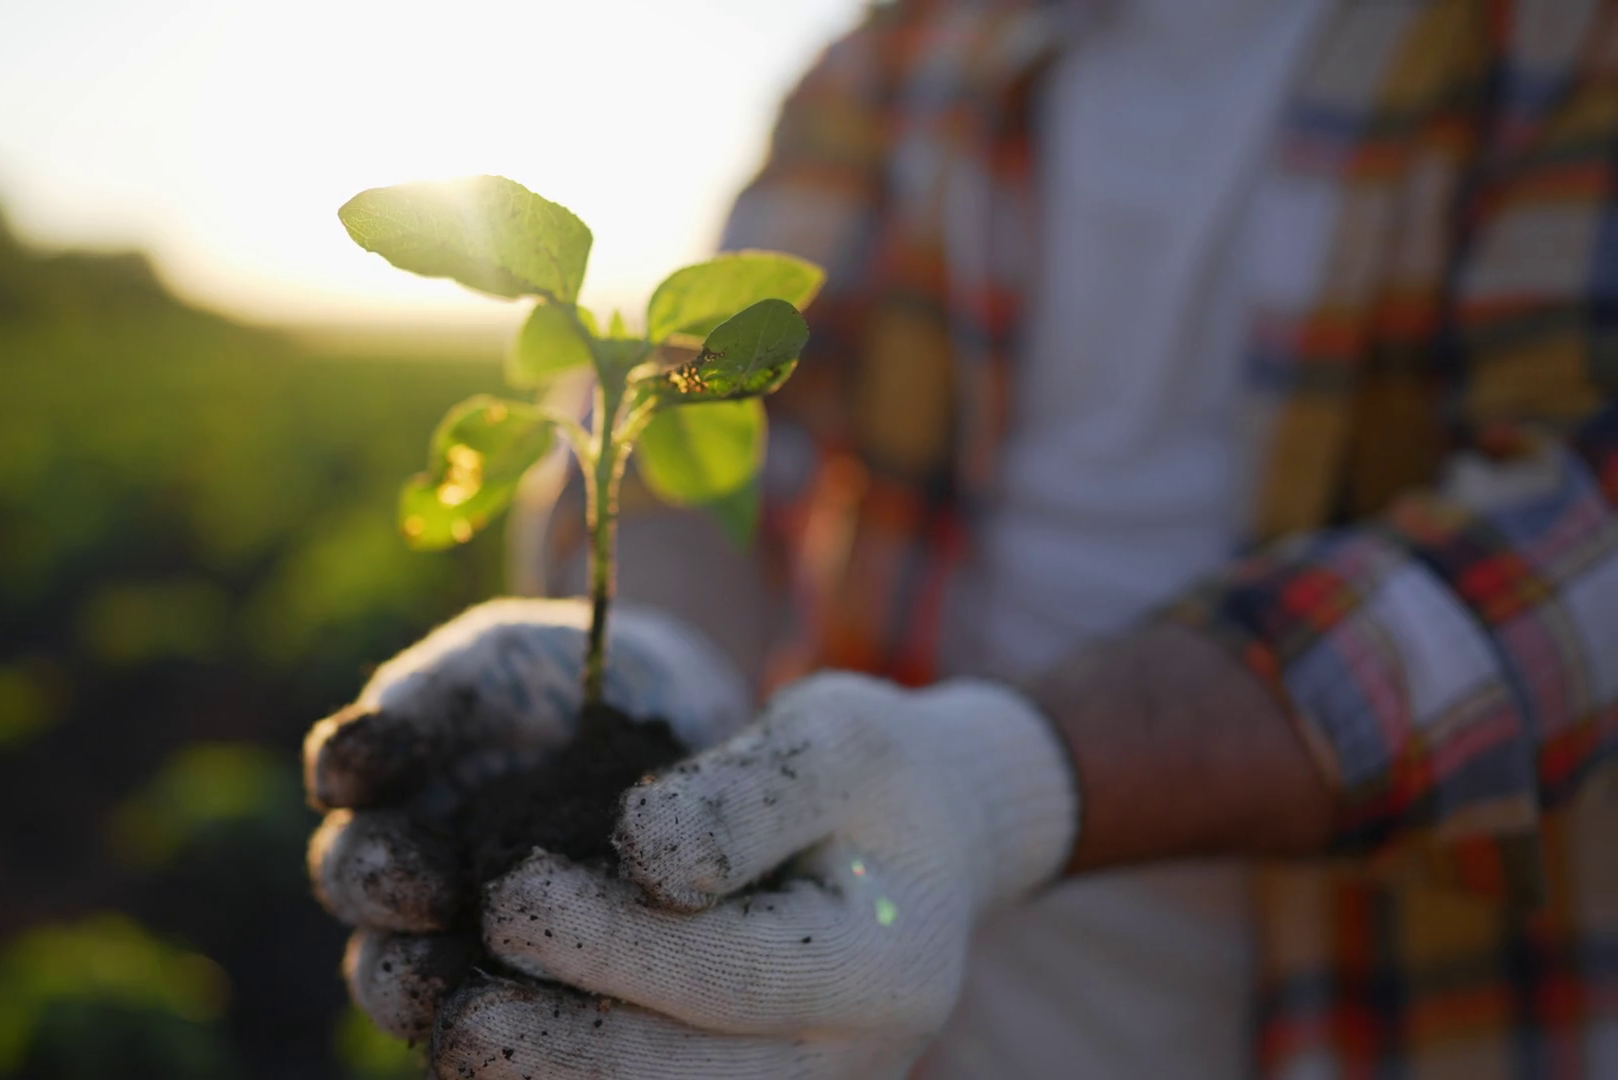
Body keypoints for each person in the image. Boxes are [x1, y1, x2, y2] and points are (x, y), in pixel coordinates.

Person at [304, 0, 1618, 1076]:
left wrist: (1000, 789)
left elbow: (1571, 537)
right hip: (878, 994)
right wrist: (659, 654)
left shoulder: (1551, 40)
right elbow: (711, 415)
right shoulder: (909, 51)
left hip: (1394, 1011)